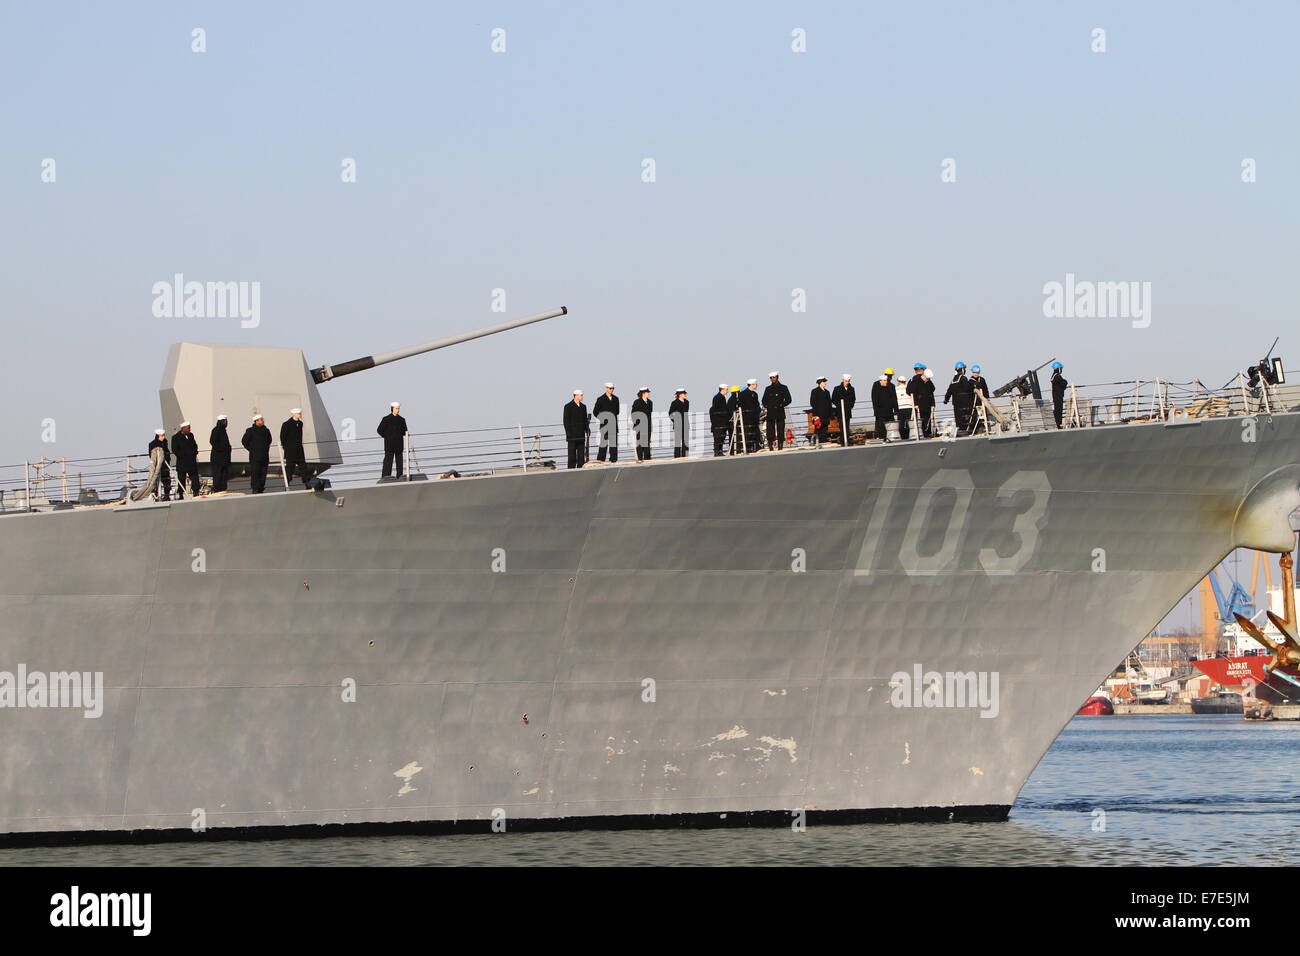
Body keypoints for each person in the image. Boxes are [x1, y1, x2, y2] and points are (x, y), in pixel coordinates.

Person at [241, 414, 273, 493]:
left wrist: (265, 448)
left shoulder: (266, 430)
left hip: (264, 456)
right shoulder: (250, 431)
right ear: (256, 421)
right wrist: (251, 449)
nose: (263, 421)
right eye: (261, 419)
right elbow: (244, 441)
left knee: (263, 473)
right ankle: (255, 488)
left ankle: (261, 487)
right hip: (255, 456)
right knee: (255, 473)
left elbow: (269, 440)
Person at [280, 408, 311, 489]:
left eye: (299, 413)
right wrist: (286, 448)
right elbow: (283, 437)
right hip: (290, 450)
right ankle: (287, 483)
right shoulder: (286, 424)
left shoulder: (300, 423)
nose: (299, 415)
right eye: (298, 413)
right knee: (290, 467)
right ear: (293, 414)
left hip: (299, 450)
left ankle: (306, 482)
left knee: (303, 466)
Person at [761, 372, 792, 450]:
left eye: (774, 377)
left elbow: (789, 399)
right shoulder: (768, 389)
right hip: (771, 412)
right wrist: (767, 406)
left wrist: (782, 405)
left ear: (777, 377)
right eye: (771, 378)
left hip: (780, 411)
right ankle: (770, 444)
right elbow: (764, 400)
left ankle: (780, 444)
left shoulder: (783, 388)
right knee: (770, 429)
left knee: (780, 429)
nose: (772, 379)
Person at [377, 402, 407, 478]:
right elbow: (379, 430)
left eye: (398, 408)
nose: (398, 410)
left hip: (399, 445)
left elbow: (405, 431)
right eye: (396, 408)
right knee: (388, 462)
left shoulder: (402, 420)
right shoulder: (386, 419)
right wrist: (387, 437)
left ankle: (399, 477)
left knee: (399, 463)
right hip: (389, 445)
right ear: (392, 409)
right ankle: (385, 477)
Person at [171, 421, 200, 499]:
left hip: (191, 461)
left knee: (194, 477)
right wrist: (183, 456)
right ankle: (180, 494)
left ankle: (196, 491)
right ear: (183, 428)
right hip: (182, 462)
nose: (190, 429)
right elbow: (175, 449)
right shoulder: (175, 437)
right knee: (181, 478)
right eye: (188, 428)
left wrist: (194, 452)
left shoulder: (191, 435)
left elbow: (194, 445)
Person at [944, 362, 975, 435]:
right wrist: (973, 386)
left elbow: (949, 391)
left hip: (956, 403)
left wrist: (946, 400)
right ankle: (967, 430)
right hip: (964, 403)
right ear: (962, 369)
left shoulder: (953, 380)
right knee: (966, 417)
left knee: (958, 418)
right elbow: (967, 388)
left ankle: (960, 430)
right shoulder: (963, 378)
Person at [593, 382, 620, 462]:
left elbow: (617, 411)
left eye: (612, 388)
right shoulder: (600, 399)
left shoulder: (616, 399)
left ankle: (613, 460)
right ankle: (600, 461)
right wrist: (603, 419)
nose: (611, 390)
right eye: (610, 388)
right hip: (604, 426)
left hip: (613, 425)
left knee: (614, 446)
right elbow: (595, 412)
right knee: (603, 445)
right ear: (606, 388)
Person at [907, 363, 936, 437]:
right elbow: (910, 392)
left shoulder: (928, 382)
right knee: (920, 419)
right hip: (920, 404)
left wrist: (933, 404)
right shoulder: (915, 379)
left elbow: (931, 392)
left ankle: (927, 432)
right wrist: (916, 403)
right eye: (916, 370)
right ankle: (920, 433)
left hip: (927, 404)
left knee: (927, 419)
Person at [870, 369, 899, 442]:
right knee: (880, 426)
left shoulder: (891, 386)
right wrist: (876, 409)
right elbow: (874, 398)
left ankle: (890, 439)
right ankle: (880, 438)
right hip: (880, 411)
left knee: (890, 426)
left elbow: (894, 398)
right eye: (889, 376)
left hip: (889, 411)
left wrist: (896, 409)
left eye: (891, 376)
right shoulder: (876, 384)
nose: (890, 377)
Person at [563, 389, 589, 468]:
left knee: (581, 455)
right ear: (576, 396)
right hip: (572, 436)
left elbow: (585, 420)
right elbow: (566, 421)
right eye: (581, 395)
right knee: (572, 455)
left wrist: (587, 429)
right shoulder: (568, 406)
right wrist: (568, 433)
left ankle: (580, 469)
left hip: (581, 435)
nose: (582, 397)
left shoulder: (583, 407)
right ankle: (571, 470)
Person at [148, 428, 172, 501]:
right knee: (155, 481)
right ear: (158, 436)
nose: (163, 437)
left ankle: (167, 495)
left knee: (166, 480)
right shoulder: (152, 444)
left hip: (165, 465)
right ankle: (155, 496)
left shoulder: (165, 442)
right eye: (162, 436)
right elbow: (151, 455)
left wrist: (168, 459)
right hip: (157, 466)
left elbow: (167, 452)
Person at [831, 374, 856, 445]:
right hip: (840, 411)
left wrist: (850, 406)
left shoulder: (851, 389)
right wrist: (839, 405)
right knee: (842, 427)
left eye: (848, 381)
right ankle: (843, 441)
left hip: (848, 411)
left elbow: (853, 399)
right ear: (843, 380)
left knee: (847, 427)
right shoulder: (837, 388)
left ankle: (847, 440)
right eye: (846, 381)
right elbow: (833, 399)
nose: (847, 382)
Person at [209, 415, 231, 492]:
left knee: (224, 476)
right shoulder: (216, 430)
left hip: (224, 459)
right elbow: (213, 441)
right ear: (223, 422)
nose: (227, 423)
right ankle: (218, 490)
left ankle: (223, 489)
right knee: (218, 475)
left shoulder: (223, 430)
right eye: (226, 421)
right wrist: (222, 450)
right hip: (218, 459)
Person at [739, 380, 762, 452]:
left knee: (756, 432)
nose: (757, 386)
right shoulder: (743, 394)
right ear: (752, 385)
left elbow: (757, 405)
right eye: (755, 384)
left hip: (755, 417)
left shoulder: (755, 394)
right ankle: (748, 448)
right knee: (748, 433)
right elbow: (741, 405)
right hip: (747, 418)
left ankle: (756, 446)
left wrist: (758, 411)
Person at [809, 377, 833, 445]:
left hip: (826, 415)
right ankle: (817, 442)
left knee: (825, 430)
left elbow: (829, 404)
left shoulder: (827, 392)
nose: (825, 383)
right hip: (818, 415)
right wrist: (815, 415)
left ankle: (823, 441)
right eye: (824, 382)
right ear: (820, 382)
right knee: (818, 430)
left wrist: (831, 415)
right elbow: (812, 403)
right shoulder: (815, 391)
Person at [632, 388, 653, 461]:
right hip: (640, 425)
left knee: (647, 442)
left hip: (648, 425)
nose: (648, 393)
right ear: (643, 393)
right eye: (647, 392)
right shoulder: (637, 402)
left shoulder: (650, 402)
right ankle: (640, 458)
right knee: (640, 442)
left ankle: (647, 458)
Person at [710, 384, 730, 457]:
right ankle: (717, 452)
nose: (727, 391)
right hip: (719, 422)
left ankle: (719, 451)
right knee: (718, 438)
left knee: (722, 437)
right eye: (726, 389)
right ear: (723, 389)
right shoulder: (718, 397)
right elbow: (718, 410)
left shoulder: (721, 397)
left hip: (722, 422)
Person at [669, 389, 690, 458]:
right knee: (678, 441)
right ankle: (677, 456)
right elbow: (670, 413)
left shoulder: (687, 402)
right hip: (678, 424)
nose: (686, 395)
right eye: (684, 394)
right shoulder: (674, 403)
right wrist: (676, 421)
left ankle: (685, 455)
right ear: (680, 395)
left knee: (685, 441)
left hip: (685, 424)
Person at [893, 370, 913, 440]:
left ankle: (903, 437)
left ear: (898, 381)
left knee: (901, 424)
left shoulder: (895, 389)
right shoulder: (908, 388)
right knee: (909, 424)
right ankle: (909, 436)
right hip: (909, 407)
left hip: (900, 408)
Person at [1050, 362, 1068, 428]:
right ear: (1058, 368)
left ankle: (1058, 423)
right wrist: (1065, 382)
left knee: (1058, 409)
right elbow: (1063, 383)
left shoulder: (1055, 376)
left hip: (1057, 395)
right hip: (1057, 395)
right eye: (1061, 368)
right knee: (1058, 409)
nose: (1062, 370)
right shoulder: (1056, 376)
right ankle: (1058, 424)